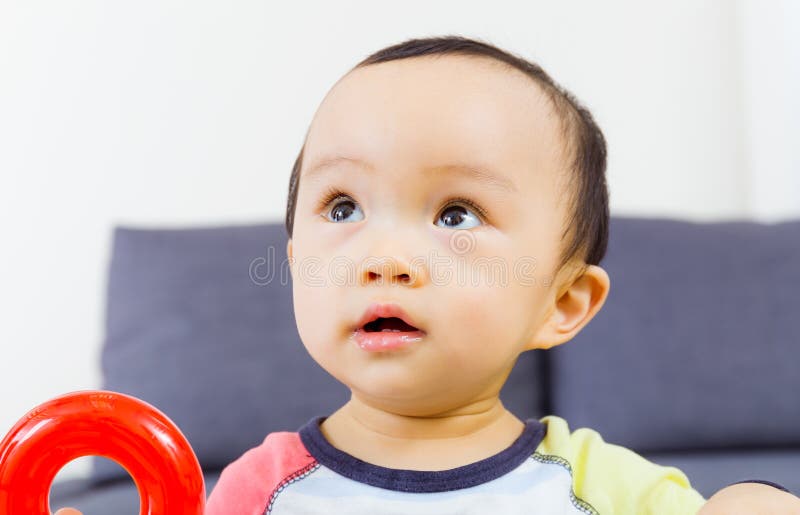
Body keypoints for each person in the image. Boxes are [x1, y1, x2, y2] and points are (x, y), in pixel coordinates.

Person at [55, 35, 800, 515]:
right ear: (293, 265)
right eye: (343, 205)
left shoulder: (599, 487)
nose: (384, 257)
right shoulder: (259, 489)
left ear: (563, 301)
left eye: (455, 215)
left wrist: (753, 499)